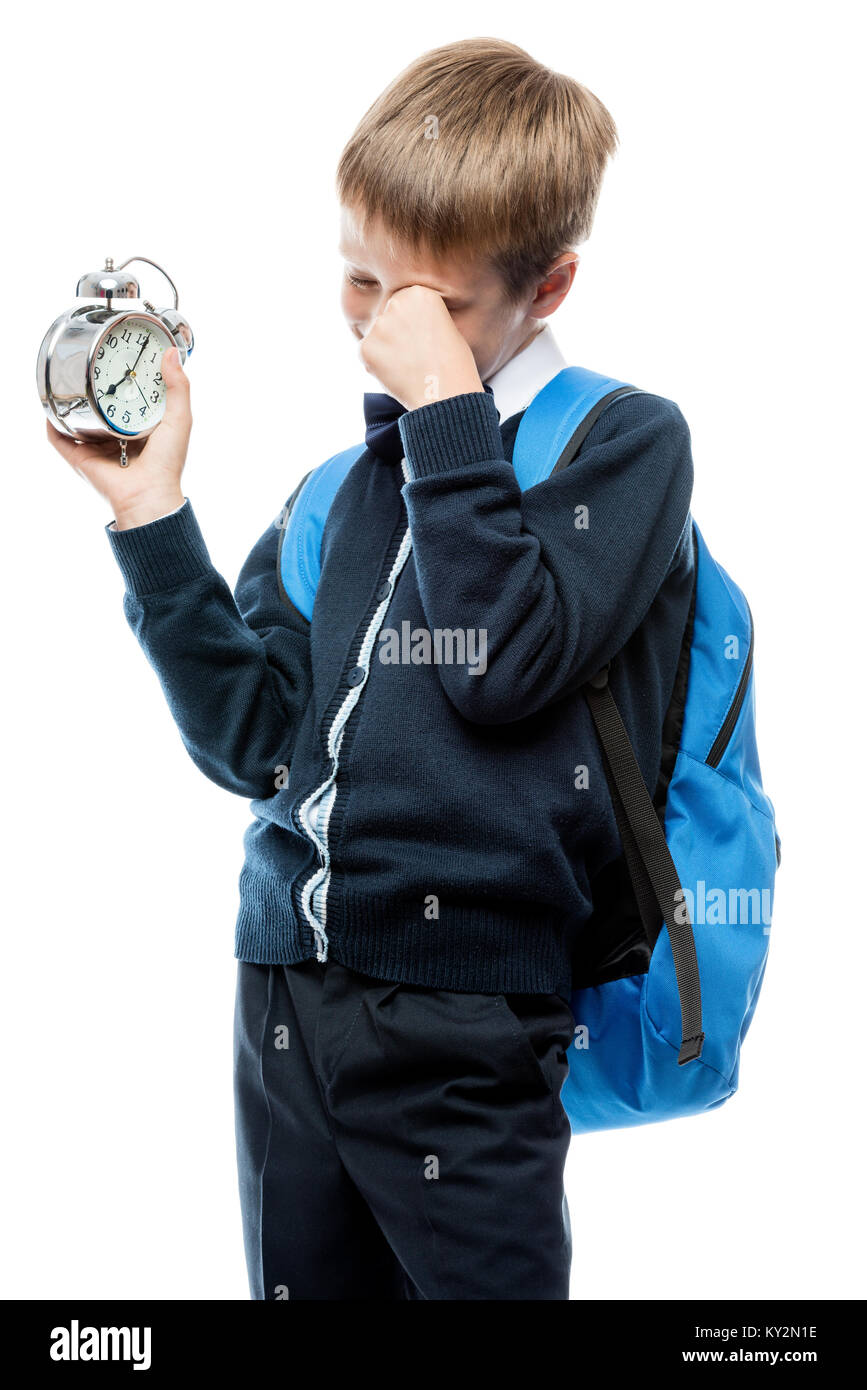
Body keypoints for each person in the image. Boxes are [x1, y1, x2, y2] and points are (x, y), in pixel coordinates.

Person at [46, 37, 695, 1301]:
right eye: (359, 282)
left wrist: (448, 417)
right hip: (283, 992)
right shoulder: (342, 493)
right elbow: (252, 744)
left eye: (432, 306)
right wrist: (153, 515)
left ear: (549, 285)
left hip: (467, 1017)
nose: (385, 328)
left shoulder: (620, 446)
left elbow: (502, 663)